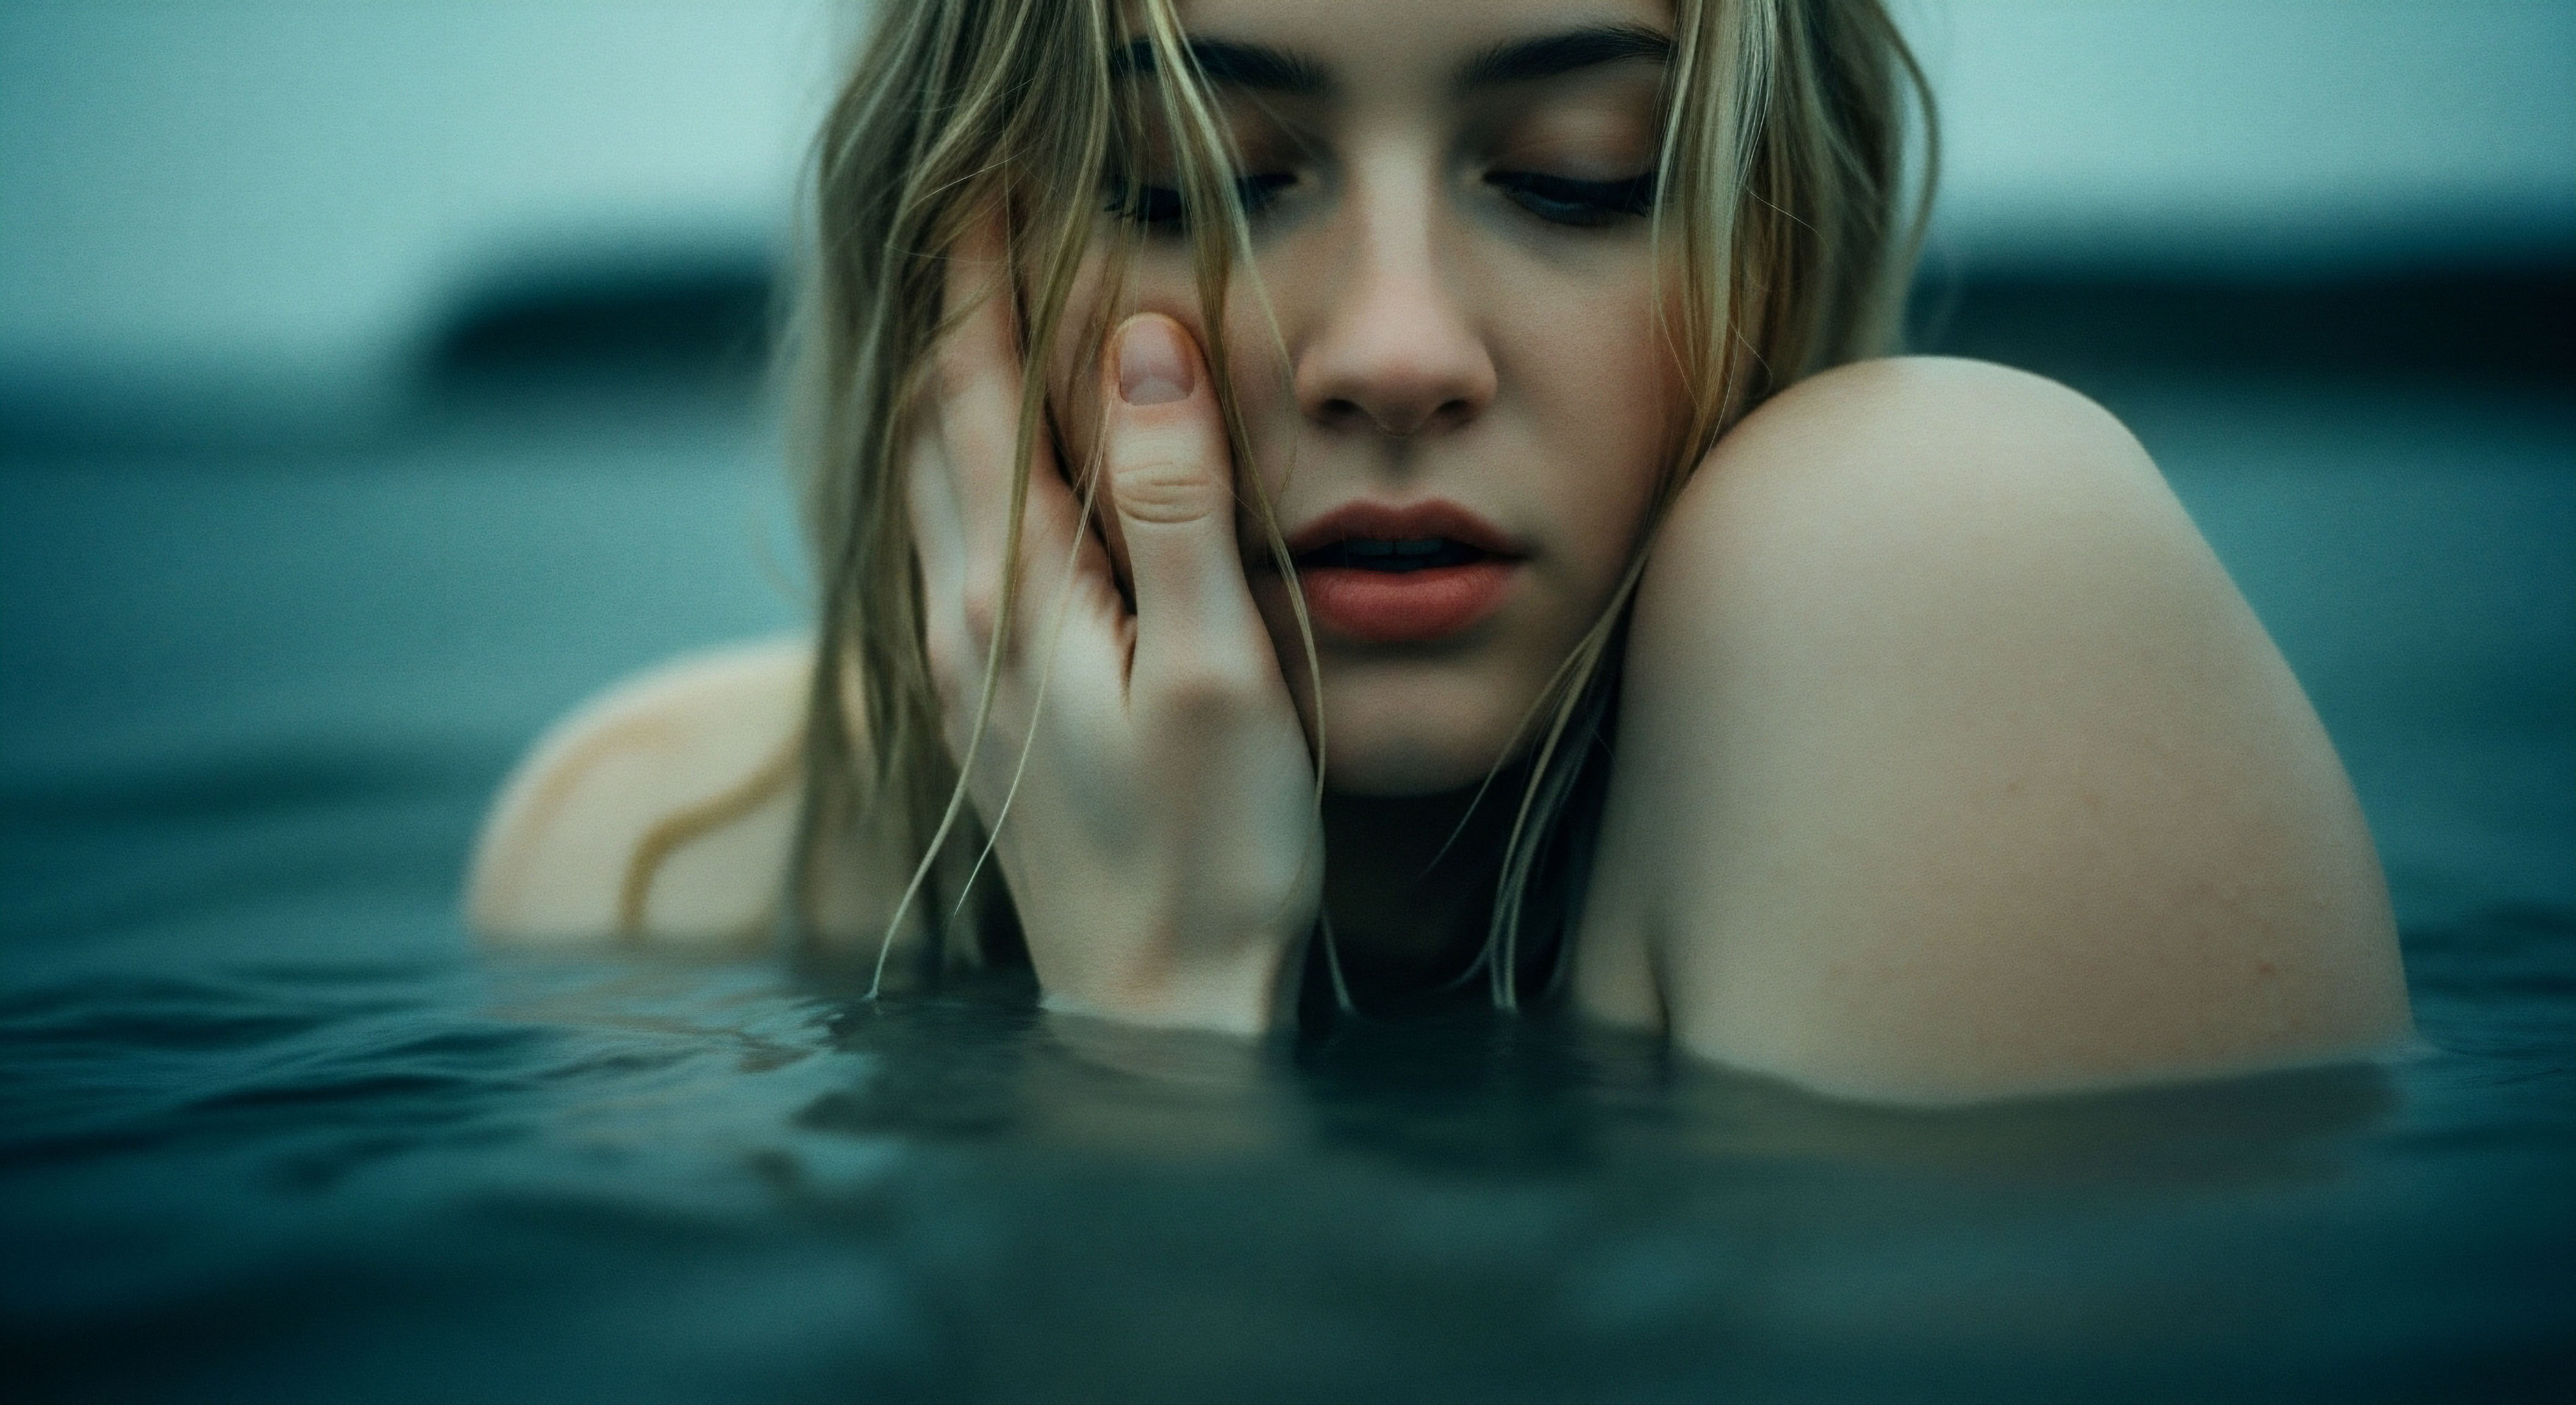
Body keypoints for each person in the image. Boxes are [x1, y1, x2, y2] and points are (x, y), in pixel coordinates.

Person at [466, 0, 2414, 1105]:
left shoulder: (1961, 569)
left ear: (1780, 228)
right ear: (947, 269)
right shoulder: (647, 859)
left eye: (1581, 172)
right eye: (1194, 185)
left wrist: (1144, 1068)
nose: (1396, 349)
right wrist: (1166, 1007)